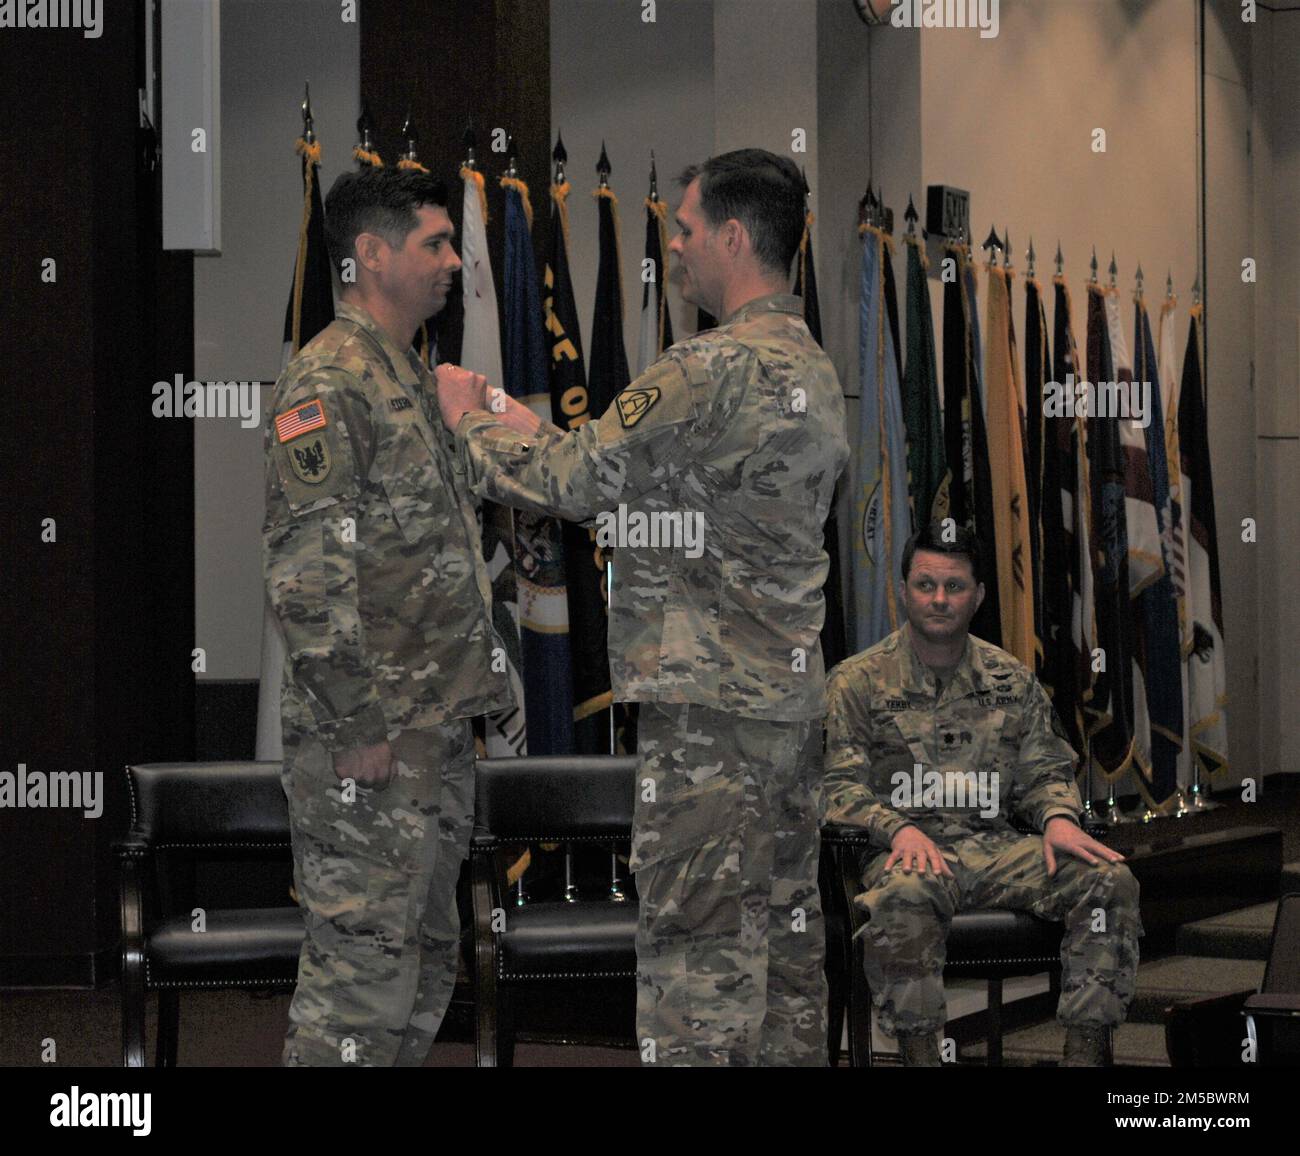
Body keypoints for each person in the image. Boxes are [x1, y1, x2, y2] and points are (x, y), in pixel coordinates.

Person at [434, 149, 849, 1066]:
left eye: (688, 228)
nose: (676, 244)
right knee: (781, 967)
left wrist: (464, 415)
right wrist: (511, 407)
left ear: (735, 237)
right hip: (784, 714)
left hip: (708, 726)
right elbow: (633, 480)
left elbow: (573, 480)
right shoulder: (809, 365)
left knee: (699, 971)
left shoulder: (706, 369)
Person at [263, 165, 513, 1066]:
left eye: (452, 241)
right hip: (370, 738)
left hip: (435, 727)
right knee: (358, 982)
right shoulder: (327, 380)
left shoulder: (408, 373)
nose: (454, 261)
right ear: (369, 254)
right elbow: (304, 572)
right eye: (435, 244)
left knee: (422, 969)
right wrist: (354, 719)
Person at [824, 521, 1142, 1066]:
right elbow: (833, 786)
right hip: (908, 855)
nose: (939, 599)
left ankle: (1085, 1053)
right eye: (925, 585)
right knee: (904, 898)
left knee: (1109, 878)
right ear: (903, 590)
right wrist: (896, 827)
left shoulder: (1010, 680)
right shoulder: (857, 682)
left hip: (997, 850)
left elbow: (1045, 771)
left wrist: (1059, 817)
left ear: (978, 596)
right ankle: (920, 1055)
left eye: (954, 586)